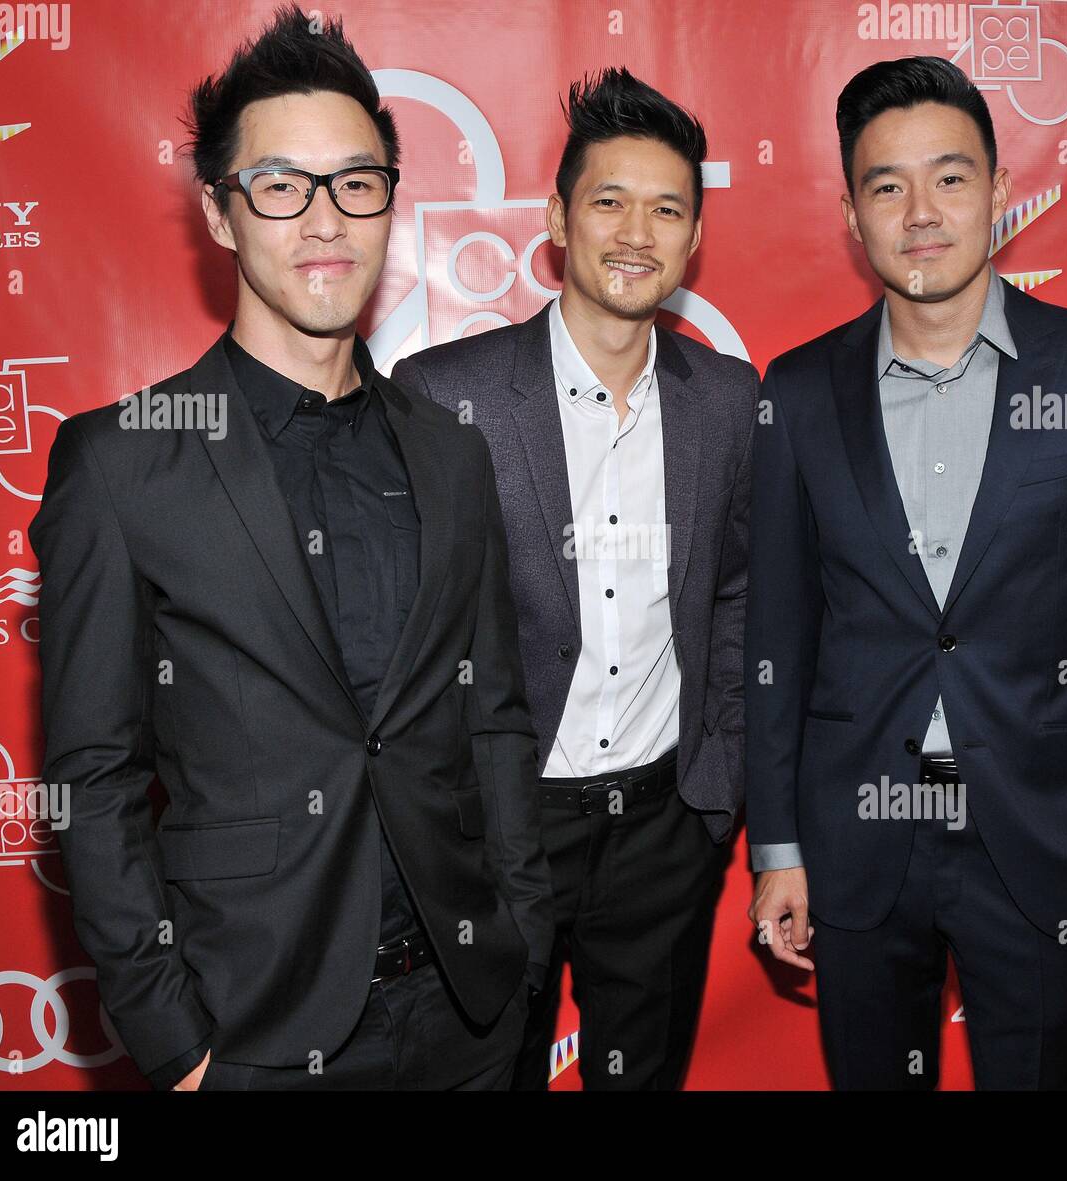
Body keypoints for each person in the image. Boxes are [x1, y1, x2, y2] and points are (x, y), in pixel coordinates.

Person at [30, 3, 551, 1091]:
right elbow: (93, 775)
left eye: (355, 183)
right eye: (281, 184)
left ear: (390, 206)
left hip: (469, 1017)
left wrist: (520, 929)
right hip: (254, 1036)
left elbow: (494, 713)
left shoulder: (450, 454)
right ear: (222, 215)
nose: (324, 219)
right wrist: (175, 1043)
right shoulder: (122, 464)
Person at [745, 55, 1067, 1090]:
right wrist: (775, 842)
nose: (921, 212)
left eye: (950, 178)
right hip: (858, 838)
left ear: (999, 194)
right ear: (850, 214)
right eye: (886, 185)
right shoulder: (800, 392)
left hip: (1040, 832)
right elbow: (776, 637)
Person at [393, 67, 758, 1090]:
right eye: (609, 200)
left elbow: (736, 591)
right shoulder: (443, 393)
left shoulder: (728, 401)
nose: (636, 231)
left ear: (692, 238)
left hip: (661, 829)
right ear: (557, 218)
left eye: (666, 208)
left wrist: (714, 790)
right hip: (496, 830)